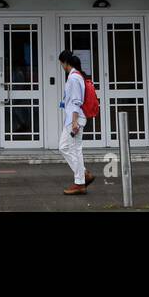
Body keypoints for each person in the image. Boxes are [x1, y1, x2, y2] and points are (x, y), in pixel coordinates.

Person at [57, 50, 95, 195]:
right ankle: (83, 175)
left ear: (65, 63)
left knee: (65, 147)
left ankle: (80, 181)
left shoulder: (73, 78)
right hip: (78, 118)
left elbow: (76, 102)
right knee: (75, 149)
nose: (61, 66)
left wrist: (74, 122)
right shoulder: (78, 76)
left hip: (75, 119)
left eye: (61, 63)